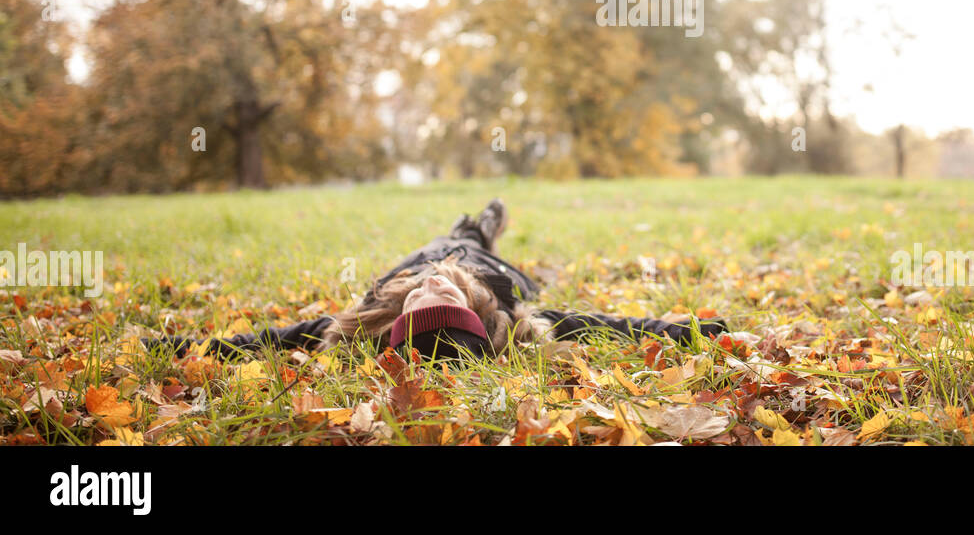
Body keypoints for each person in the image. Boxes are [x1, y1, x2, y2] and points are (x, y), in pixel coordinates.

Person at [150, 199, 726, 363]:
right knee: (473, 249)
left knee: (438, 247)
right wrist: (683, 331)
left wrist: (180, 346)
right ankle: (481, 233)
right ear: (474, 315)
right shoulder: (504, 315)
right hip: (493, 272)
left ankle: (466, 229)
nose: (435, 289)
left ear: (399, 319)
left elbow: (274, 339)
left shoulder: (373, 316)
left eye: (424, 301)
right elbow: (600, 323)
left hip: (417, 255)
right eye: (445, 299)